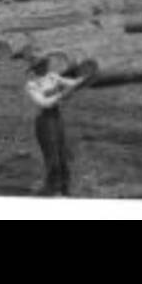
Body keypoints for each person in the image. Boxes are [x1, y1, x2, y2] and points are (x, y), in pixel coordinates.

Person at [25, 59, 89, 196]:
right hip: (44, 121)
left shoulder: (52, 77)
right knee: (51, 154)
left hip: (57, 118)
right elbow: (43, 103)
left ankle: (65, 186)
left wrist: (84, 78)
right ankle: (53, 188)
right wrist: (61, 94)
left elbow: (70, 83)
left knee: (62, 152)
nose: (44, 66)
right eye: (40, 65)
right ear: (34, 69)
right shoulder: (32, 85)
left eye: (44, 63)